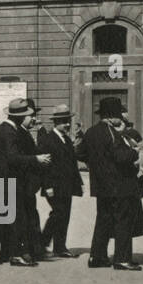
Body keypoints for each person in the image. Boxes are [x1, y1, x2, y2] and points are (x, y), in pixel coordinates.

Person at [0, 98, 48, 266]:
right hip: (7, 180)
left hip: (0, 180)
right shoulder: (9, 132)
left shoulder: (3, 129)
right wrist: (36, 159)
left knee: (1, 216)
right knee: (16, 217)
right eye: (28, 115)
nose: (31, 118)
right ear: (19, 117)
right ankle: (16, 255)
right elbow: (12, 157)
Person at [80, 97, 143, 271]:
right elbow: (120, 157)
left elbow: (80, 153)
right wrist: (134, 152)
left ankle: (97, 257)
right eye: (119, 114)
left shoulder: (90, 132)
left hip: (101, 186)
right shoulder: (112, 133)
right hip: (120, 185)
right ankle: (122, 259)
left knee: (103, 220)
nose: (122, 118)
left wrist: (96, 165)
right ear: (110, 116)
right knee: (123, 221)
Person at [37, 105, 83, 258]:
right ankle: (42, 244)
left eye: (68, 121)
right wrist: (47, 186)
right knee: (58, 213)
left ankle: (60, 247)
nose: (67, 124)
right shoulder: (47, 139)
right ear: (56, 123)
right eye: (64, 122)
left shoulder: (67, 140)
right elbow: (45, 166)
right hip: (54, 186)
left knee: (64, 215)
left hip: (66, 186)